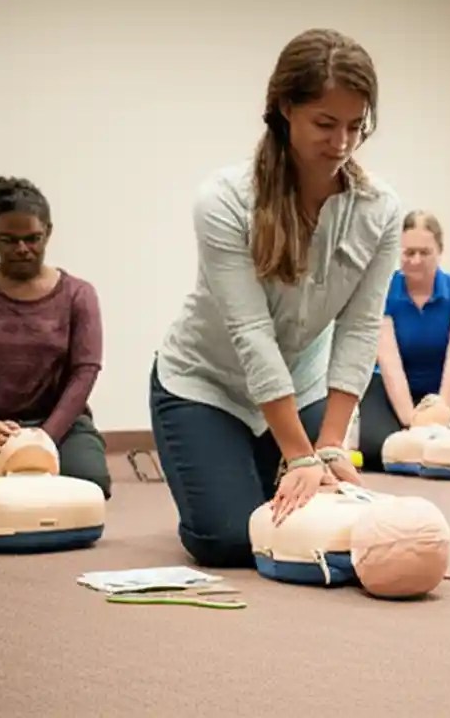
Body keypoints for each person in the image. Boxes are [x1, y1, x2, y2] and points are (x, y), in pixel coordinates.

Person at [149, 28, 403, 568]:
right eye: (325, 124)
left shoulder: (380, 210)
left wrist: (329, 444)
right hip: (205, 383)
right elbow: (251, 334)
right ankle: (226, 472)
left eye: (356, 126)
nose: (341, 143)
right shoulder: (224, 200)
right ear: (285, 108)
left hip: (302, 381)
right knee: (230, 540)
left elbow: (360, 328)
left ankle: (265, 468)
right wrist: (297, 452)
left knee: (321, 516)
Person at [0, 175, 111, 498]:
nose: (22, 249)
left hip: (57, 423)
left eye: (32, 238)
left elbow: (85, 371)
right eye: (9, 240)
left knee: (89, 484)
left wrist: (46, 436)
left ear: (48, 232)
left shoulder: (78, 294)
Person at [357, 209, 450, 467]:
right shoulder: (383, 291)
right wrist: (411, 421)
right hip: (386, 384)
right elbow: (390, 361)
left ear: (439, 251)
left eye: (424, 253)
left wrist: (442, 412)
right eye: (408, 252)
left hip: (439, 384)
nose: (415, 260)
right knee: (374, 448)